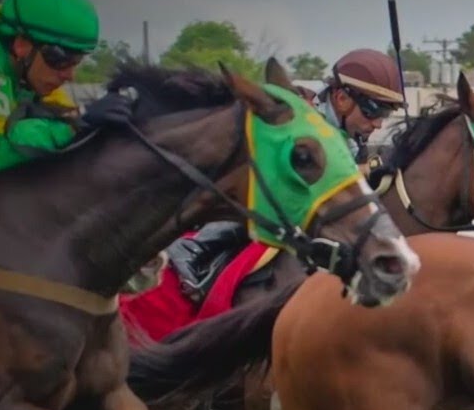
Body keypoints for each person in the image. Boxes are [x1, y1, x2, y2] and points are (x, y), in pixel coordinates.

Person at [166, 48, 405, 303]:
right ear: (342, 98)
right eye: (374, 112)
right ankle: (196, 247)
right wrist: (369, 168)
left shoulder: (351, 133)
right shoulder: (304, 115)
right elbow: (330, 175)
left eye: (386, 115)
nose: (378, 124)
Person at [0, 0, 100, 171]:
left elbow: (69, 116)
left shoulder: (35, 74)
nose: (69, 75)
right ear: (21, 45)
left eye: (76, 62)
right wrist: (72, 128)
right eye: (60, 59)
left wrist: (91, 117)